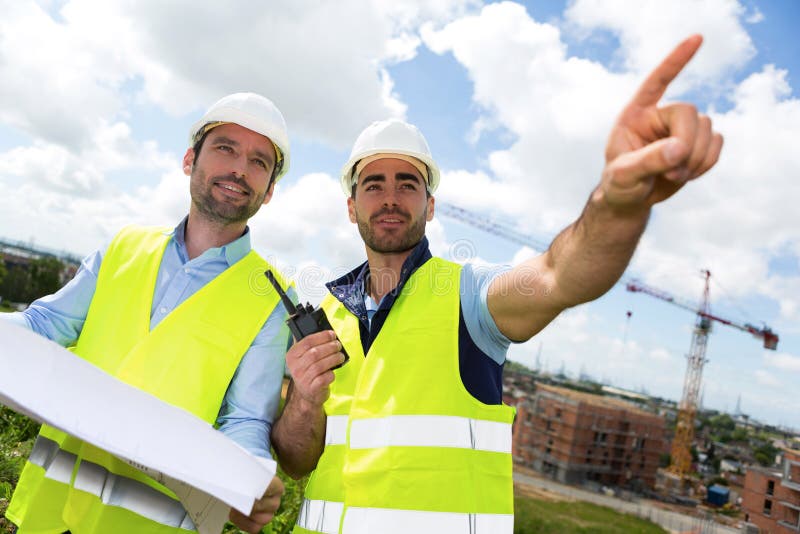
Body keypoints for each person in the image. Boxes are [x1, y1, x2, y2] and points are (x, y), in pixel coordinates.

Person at [270, 35, 723, 533]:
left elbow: (559, 276)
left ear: (430, 206)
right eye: (373, 185)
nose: (390, 197)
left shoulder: (469, 296)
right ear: (351, 206)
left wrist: (617, 204)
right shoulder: (327, 315)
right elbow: (297, 461)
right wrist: (306, 400)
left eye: (408, 183)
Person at [2, 92, 292, 533]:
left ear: (269, 190)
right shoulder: (124, 246)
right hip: (51, 509)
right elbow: (44, 324)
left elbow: (246, 419)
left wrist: (249, 476)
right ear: (190, 160)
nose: (239, 169)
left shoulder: (271, 295)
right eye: (225, 148)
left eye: (258, 161)